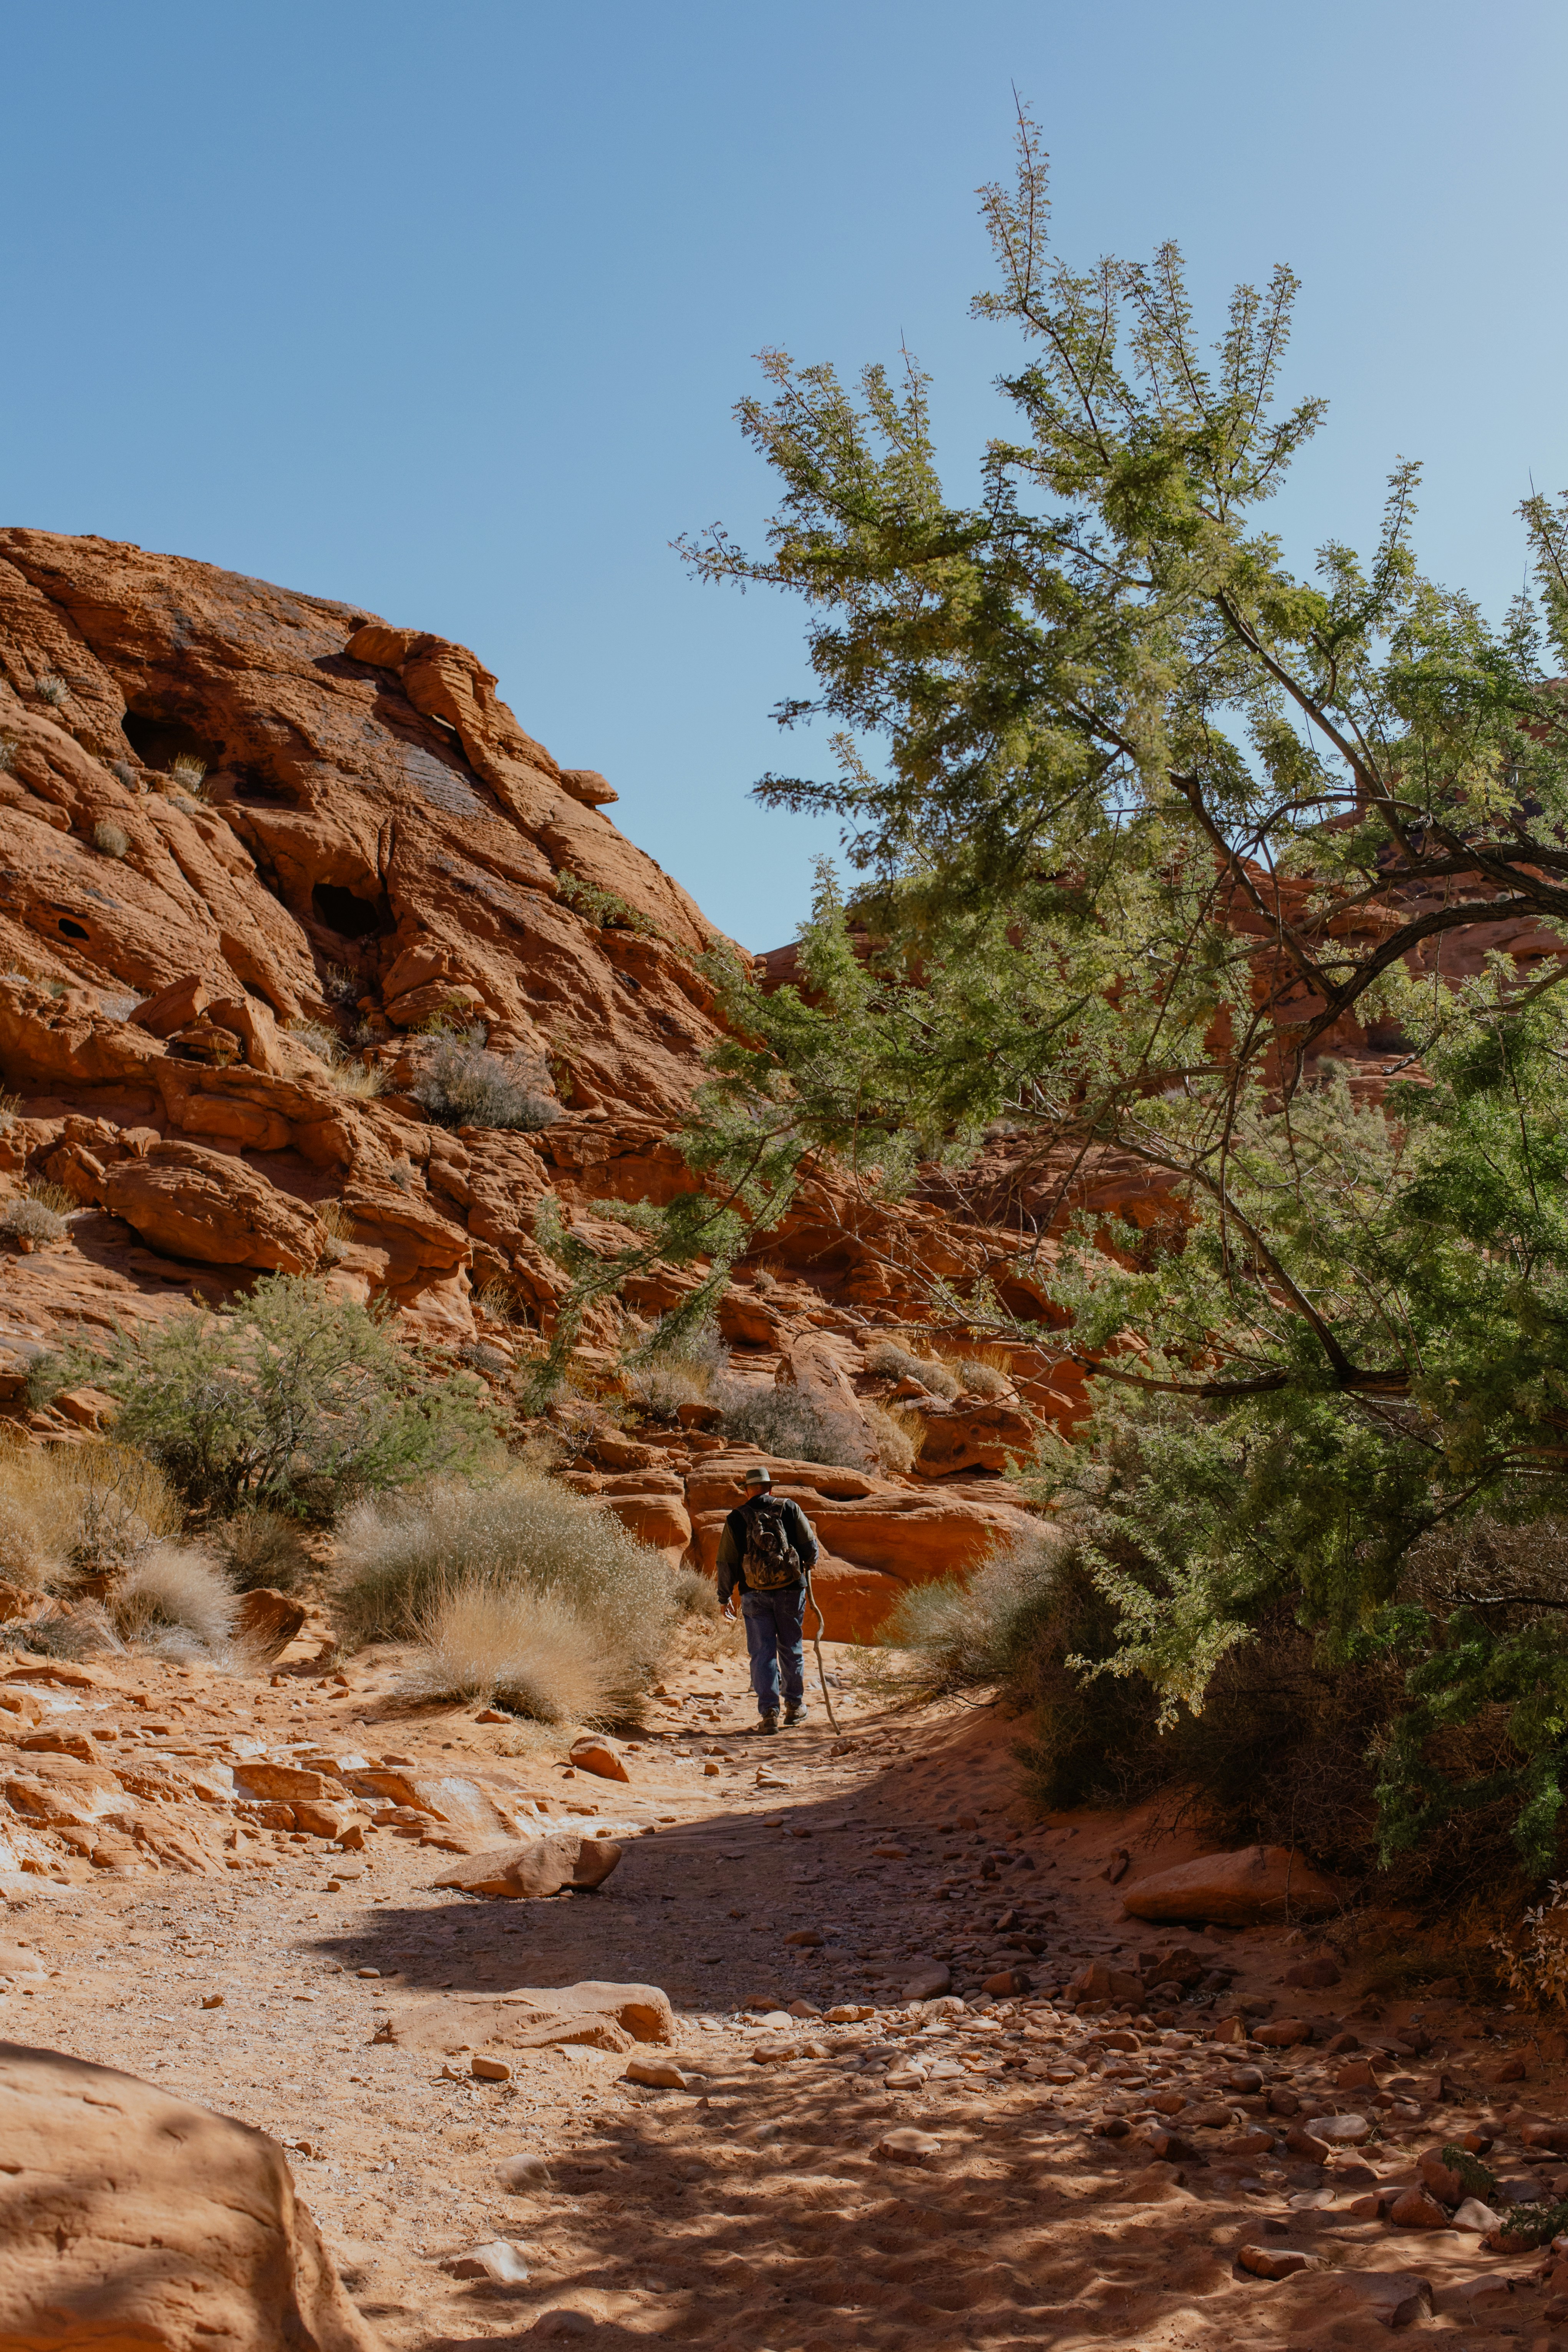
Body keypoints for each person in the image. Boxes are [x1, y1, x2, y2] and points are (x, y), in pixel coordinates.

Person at [715, 1465, 820, 1734]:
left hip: (753, 1593)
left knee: (762, 1653)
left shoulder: (736, 1518)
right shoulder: (789, 1508)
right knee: (791, 1647)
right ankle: (795, 1707)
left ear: (748, 1490)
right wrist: (807, 1564)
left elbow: (726, 1561)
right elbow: (811, 1547)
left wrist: (724, 1596)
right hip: (790, 1590)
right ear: (771, 1488)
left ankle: (770, 1713)